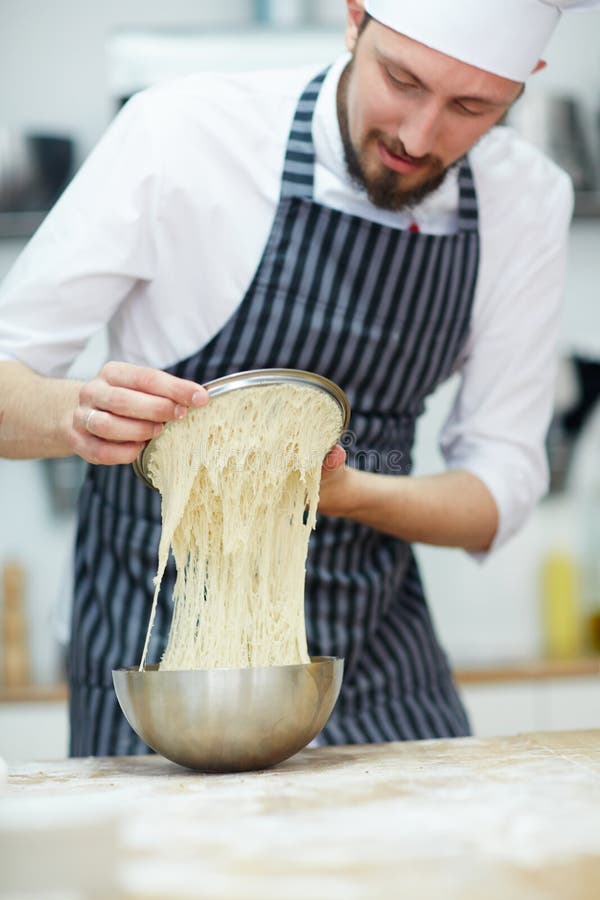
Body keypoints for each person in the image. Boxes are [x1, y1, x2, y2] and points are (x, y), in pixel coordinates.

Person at [0, 0, 595, 755]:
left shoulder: (526, 200)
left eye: (472, 106)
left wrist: (345, 494)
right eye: (402, 79)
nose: (419, 135)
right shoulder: (183, 137)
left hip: (375, 663)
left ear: (525, 84)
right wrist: (78, 415)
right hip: (161, 660)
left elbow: (502, 483)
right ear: (354, 21)